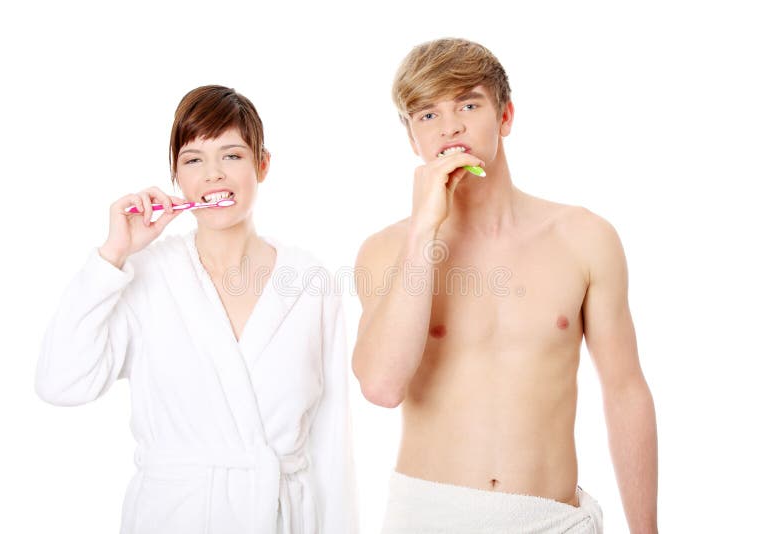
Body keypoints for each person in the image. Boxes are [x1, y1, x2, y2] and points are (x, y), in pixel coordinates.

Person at [352, 38, 658, 533]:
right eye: (427, 115)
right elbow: (382, 386)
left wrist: (646, 529)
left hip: (551, 519)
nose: (449, 126)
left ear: (506, 116)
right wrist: (423, 232)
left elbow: (625, 391)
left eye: (467, 105)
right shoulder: (387, 250)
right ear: (413, 140)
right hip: (428, 517)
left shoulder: (584, 238)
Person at [36, 85, 357, 534]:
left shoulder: (310, 281)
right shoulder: (146, 274)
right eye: (193, 160)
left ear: (261, 165)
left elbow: (331, 438)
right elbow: (61, 383)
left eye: (232, 156)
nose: (213, 175)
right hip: (172, 517)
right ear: (176, 177)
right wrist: (113, 254)